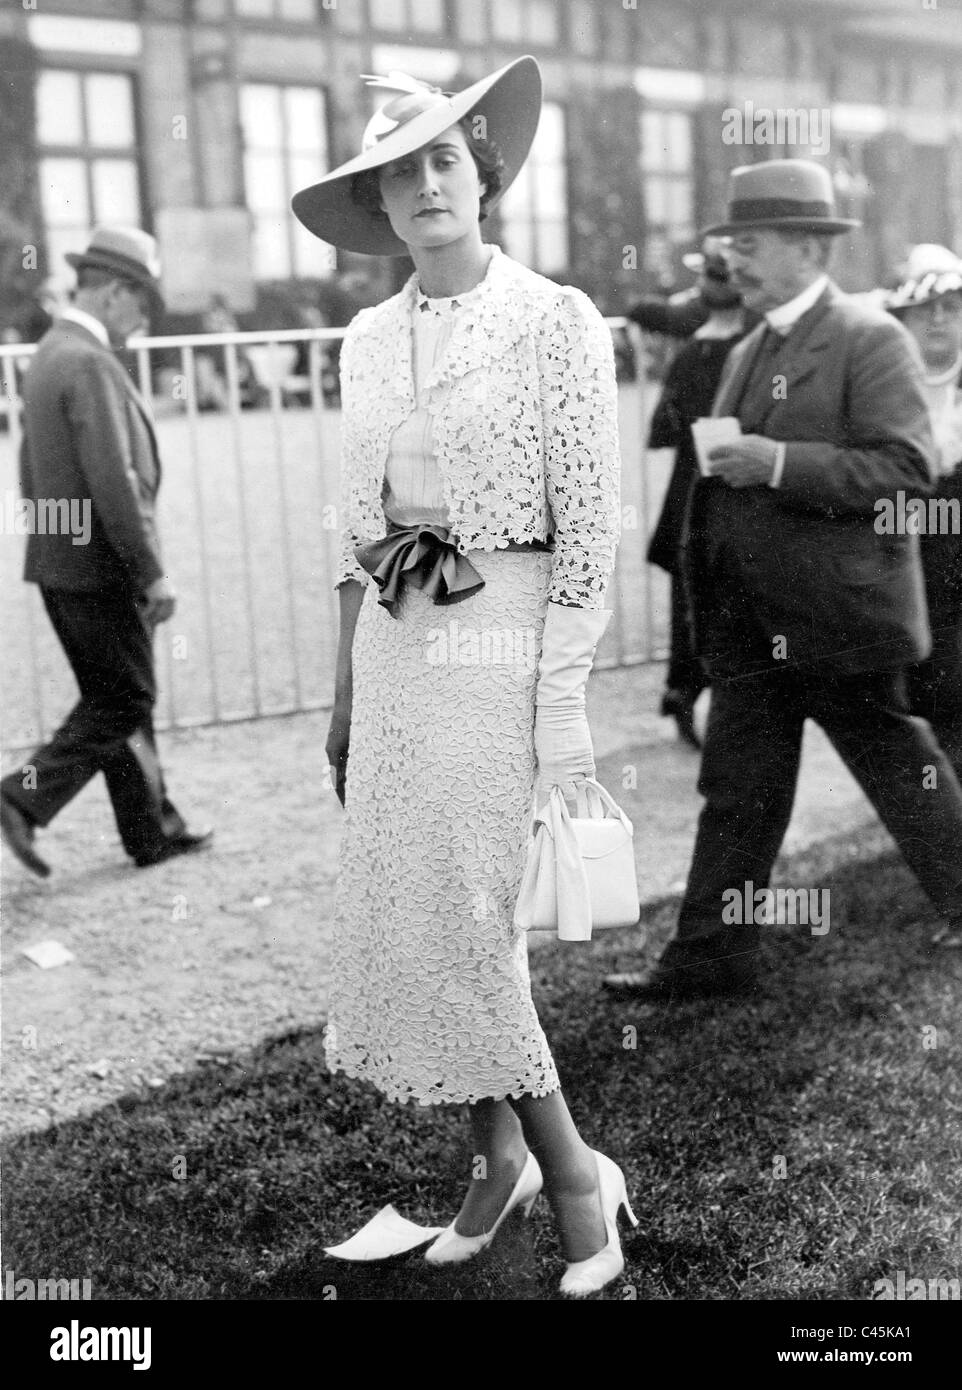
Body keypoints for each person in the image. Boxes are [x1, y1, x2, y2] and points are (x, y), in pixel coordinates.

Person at [291, 58, 633, 1296]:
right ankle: (493, 1170)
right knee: (425, 916)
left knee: (477, 924)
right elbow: (352, 530)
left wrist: (558, 708)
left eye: (444, 159)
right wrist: (342, 695)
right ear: (378, 206)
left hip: (505, 647)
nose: (426, 183)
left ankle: (572, 1169)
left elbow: (588, 535)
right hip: (396, 649)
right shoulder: (364, 340)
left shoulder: (557, 319)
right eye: (400, 170)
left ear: (479, 178)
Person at [604, 159, 962, 1001]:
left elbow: (906, 469)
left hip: (840, 617)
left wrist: (775, 463)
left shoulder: (873, 338)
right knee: (737, 791)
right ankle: (709, 957)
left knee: (899, 772)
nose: (735, 259)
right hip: (753, 621)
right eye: (731, 242)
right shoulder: (750, 345)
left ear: (808, 248)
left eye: (752, 243)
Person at [0, 227, 212, 877]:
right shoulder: (88, 361)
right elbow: (114, 479)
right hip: (98, 563)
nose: (144, 319)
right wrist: (152, 572)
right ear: (116, 293)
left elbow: (32, 468)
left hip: (63, 560)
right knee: (124, 697)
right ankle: (19, 797)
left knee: (114, 691)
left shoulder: (52, 352)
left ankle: (152, 830)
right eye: (141, 302)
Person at [644, 239, 756, 746]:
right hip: (741, 485)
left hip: (691, 488)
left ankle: (683, 689)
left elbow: (664, 428)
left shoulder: (693, 354)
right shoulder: (755, 349)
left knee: (688, 598)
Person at [886, 245, 962, 779]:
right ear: (903, 319)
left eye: (952, 307)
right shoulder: (885, 385)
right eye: (925, 309)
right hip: (903, 546)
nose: (938, 319)